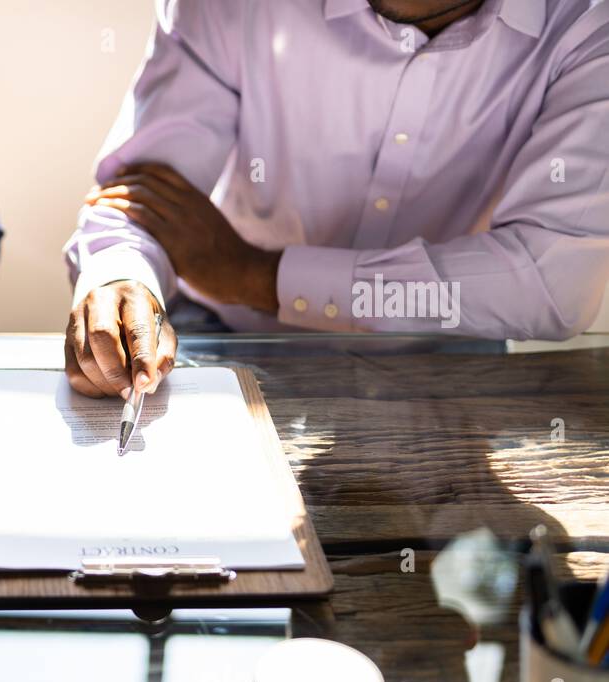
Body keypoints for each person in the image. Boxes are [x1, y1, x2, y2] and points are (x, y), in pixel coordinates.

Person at [63, 0, 609, 398]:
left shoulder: (589, 24)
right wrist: (119, 276)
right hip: (221, 339)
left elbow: (551, 281)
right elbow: (144, 200)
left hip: (445, 356)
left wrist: (259, 277)